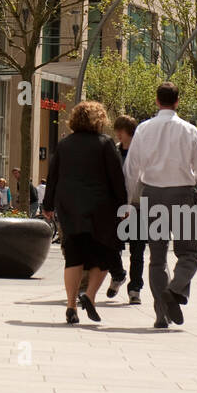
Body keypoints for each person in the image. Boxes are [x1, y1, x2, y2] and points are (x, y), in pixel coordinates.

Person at [123, 83, 197, 330]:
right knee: (189, 253)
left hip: (151, 195)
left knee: (157, 257)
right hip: (183, 194)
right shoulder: (189, 130)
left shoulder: (143, 130)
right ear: (177, 101)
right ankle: (174, 291)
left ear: (156, 100)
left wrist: (127, 202)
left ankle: (161, 314)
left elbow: (131, 169)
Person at [43, 101, 126, 325]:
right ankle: (89, 295)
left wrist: (48, 204)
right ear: (100, 120)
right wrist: (123, 206)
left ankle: (71, 306)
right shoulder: (106, 144)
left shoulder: (64, 145)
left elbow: (53, 177)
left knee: (74, 256)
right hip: (100, 210)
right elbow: (117, 179)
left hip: (69, 208)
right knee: (105, 253)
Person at [107, 115, 144, 304]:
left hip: (139, 206)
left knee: (137, 251)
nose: (117, 135)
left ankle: (135, 289)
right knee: (111, 245)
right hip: (118, 206)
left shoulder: (143, 153)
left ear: (126, 132)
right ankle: (118, 274)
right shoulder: (113, 151)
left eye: (119, 131)